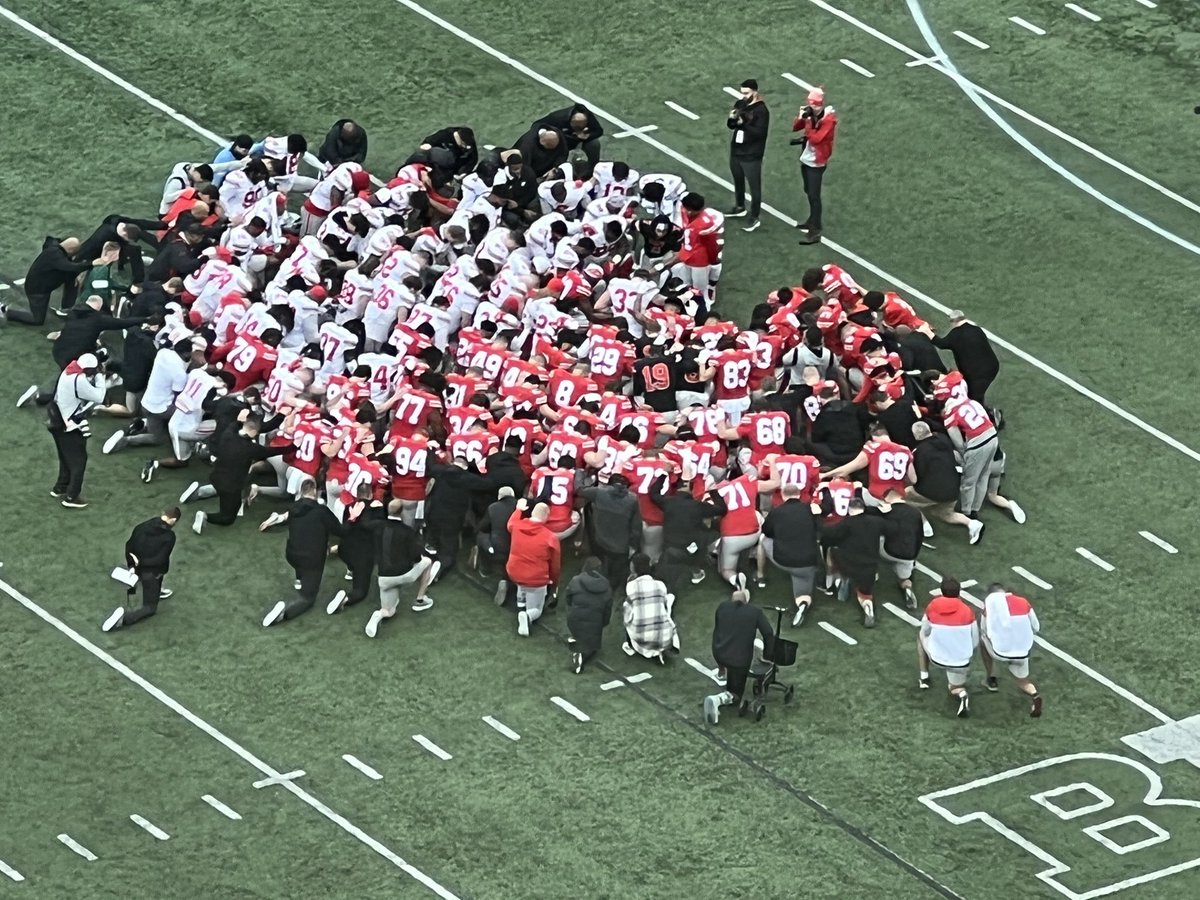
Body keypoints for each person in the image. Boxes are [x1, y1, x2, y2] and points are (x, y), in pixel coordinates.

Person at [182, 413, 287, 533]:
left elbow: (234, 425)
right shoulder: (250, 448)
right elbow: (271, 451)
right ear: (253, 431)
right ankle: (205, 516)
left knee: (221, 492)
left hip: (217, 476)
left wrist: (238, 421)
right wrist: (293, 447)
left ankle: (199, 492)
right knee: (228, 517)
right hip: (231, 486)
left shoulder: (229, 433)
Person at [261, 479, 343, 627]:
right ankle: (283, 615)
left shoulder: (293, 508)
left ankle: (299, 579)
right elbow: (340, 530)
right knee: (308, 599)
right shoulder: (321, 511)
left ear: (301, 492)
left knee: (300, 545)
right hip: (311, 560)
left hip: (291, 555)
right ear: (315, 491)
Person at [363, 499, 439, 638]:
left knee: (389, 611)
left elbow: (364, 524)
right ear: (402, 512)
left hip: (384, 578)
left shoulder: (377, 526)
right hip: (405, 577)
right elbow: (416, 557)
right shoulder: (407, 531)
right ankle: (420, 600)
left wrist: (371, 509)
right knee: (427, 561)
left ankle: (378, 614)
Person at [3, 239, 119, 326]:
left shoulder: (54, 248)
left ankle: (66, 308)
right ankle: (6, 311)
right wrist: (92, 264)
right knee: (37, 320)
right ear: (70, 251)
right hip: (37, 291)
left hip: (42, 284)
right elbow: (69, 267)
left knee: (72, 280)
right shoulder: (57, 258)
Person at [703, 586, 775, 725]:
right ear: (746, 601)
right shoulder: (755, 612)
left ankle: (725, 677)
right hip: (739, 660)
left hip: (719, 653)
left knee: (731, 674)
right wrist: (767, 655)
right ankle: (717, 700)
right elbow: (768, 633)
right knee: (736, 695)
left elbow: (717, 631)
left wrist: (720, 666)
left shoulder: (722, 607)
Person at [821, 497, 896, 627]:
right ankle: (868, 608)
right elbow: (893, 528)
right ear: (863, 508)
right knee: (865, 594)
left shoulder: (845, 523)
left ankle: (837, 579)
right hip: (869, 567)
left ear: (849, 509)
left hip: (847, 564)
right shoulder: (876, 522)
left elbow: (827, 536)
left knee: (832, 551)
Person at [102, 508, 180, 631]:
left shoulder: (142, 526)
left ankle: (156, 590)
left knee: (151, 581)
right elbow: (161, 559)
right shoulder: (169, 537)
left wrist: (133, 565)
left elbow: (129, 545)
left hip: (137, 568)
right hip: (151, 573)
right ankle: (124, 619)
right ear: (174, 520)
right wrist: (142, 563)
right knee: (150, 608)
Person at [48, 352, 109, 508]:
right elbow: (99, 396)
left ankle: (61, 487)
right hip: (70, 423)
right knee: (78, 461)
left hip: (56, 418)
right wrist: (100, 376)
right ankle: (71, 497)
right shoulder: (79, 379)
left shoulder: (68, 370)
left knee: (65, 456)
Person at [760, 483, 821, 625]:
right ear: (799, 495)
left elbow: (766, 531)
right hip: (808, 561)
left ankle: (760, 575)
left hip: (783, 559)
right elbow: (819, 529)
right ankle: (803, 604)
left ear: (783, 496)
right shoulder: (809, 510)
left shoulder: (777, 511)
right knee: (803, 589)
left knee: (763, 539)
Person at [918, 577, 979, 718]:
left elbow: (925, 630)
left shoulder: (933, 606)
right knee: (955, 687)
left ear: (941, 592)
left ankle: (924, 677)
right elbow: (975, 641)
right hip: (961, 661)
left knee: (920, 637)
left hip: (937, 658)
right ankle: (962, 694)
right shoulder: (967, 611)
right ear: (959, 593)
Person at [979, 583, 1043, 717]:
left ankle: (991, 678)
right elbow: (1036, 627)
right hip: (1022, 651)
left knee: (982, 641)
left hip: (1000, 651)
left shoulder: (990, 607)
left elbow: (985, 629)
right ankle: (1034, 694)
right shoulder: (1023, 602)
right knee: (1023, 682)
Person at [506, 499, 562, 637]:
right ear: (547, 518)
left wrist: (518, 509)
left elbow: (510, 523)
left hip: (514, 571)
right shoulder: (550, 537)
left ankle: (520, 605)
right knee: (536, 609)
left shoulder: (517, 526)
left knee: (522, 583)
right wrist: (553, 582)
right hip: (535, 578)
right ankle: (527, 616)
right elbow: (555, 565)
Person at [578, 474, 642, 588]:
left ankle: (597, 586)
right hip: (621, 546)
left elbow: (579, 490)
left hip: (599, 541)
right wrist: (634, 546)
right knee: (616, 574)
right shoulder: (632, 499)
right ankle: (612, 590)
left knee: (601, 567)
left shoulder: (599, 492)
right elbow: (636, 525)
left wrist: (579, 473)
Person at [792, 87, 838, 245]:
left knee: (814, 195)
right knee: (808, 190)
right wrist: (801, 117)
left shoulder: (829, 120)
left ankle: (816, 229)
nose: (813, 107)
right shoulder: (810, 115)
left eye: (815, 105)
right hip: (807, 158)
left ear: (821, 105)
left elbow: (817, 139)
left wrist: (808, 126)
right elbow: (795, 127)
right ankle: (812, 220)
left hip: (817, 161)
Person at [726, 78, 770, 232]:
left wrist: (742, 124)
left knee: (754, 187)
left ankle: (755, 216)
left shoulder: (762, 111)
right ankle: (740, 206)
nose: (743, 96)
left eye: (746, 93)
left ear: (755, 92)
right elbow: (731, 125)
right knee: (738, 180)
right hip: (737, 151)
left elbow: (760, 133)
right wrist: (732, 119)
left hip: (752, 154)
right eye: (742, 92)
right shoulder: (740, 104)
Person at [934, 311, 1000, 404]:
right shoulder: (976, 329)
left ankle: (985, 414)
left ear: (953, 322)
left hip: (976, 374)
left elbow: (941, 344)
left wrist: (929, 334)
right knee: (976, 392)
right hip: (992, 367)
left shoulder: (955, 335)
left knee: (974, 398)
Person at [622, 553, 678, 663]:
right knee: (667, 602)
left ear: (633, 568)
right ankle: (660, 648)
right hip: (665, 636)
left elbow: (627, 614)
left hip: (642, 638)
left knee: (628, 610)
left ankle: (630, 645)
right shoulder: (660, 585)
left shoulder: (630, 586)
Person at [565, 557, 613, 674]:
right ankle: (581, 653)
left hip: (574, 620)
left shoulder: (575, 580)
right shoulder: (607, 587)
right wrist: (603, 623)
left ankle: (578, 646)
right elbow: (607, 610)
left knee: (581, 635)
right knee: (592, 648)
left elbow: (568, 598)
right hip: (595, 624)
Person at [532, 104, 604, 176]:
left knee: (594, 144)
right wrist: (547, 136)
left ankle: (593, 169)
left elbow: (598, 131)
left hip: (577, 140)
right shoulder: (558, 118)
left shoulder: (587, 116)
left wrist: (587, 135)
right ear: (571, 121)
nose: (578, 129)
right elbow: (537, 125)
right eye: (576, 127)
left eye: (581, 127)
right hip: (561, 141)